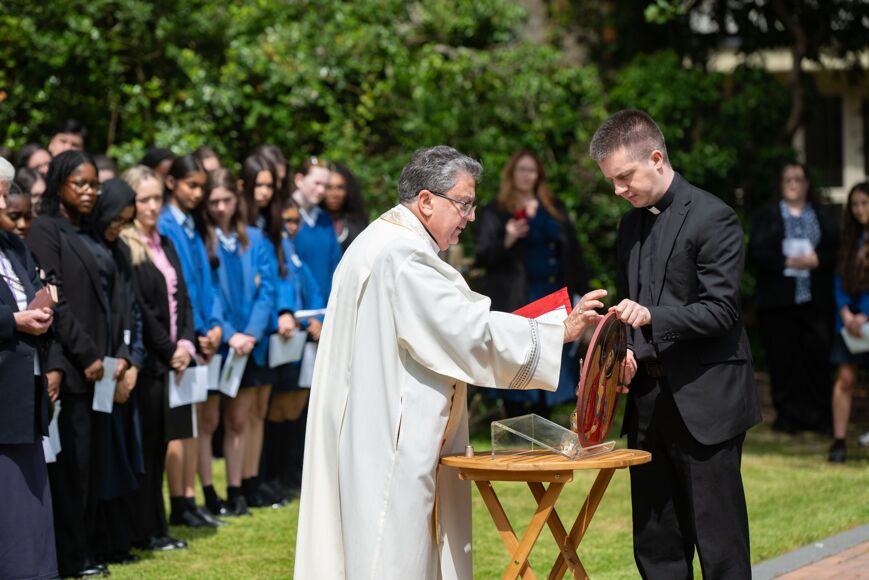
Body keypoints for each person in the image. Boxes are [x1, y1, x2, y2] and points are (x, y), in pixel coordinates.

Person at [294, 145, 606, 579]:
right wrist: (559, 332)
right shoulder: (402, 256)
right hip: (393, 437)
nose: (471, 216)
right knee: (393, 548)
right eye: (463, 203)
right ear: (426, 201)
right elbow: (466, 331)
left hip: (371, 426)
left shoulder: (380, 241)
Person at [590, 110, 761, 579]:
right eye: (612, 181)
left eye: (624, 177)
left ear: (657, 158)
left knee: (719, 543)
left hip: (707, 399)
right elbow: (630, 305)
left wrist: (652, 316)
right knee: (655, 542)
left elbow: (723, 311)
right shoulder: (629, 226)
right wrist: (623, 347)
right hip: (647, 403)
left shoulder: (714, 216)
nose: (618, 191)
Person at [26, 151, 133, 578]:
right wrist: (87, 355)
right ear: (58, 185)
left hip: (101, 368)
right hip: (72, 368)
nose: (89, 192)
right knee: (74, 469)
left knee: (95, 465)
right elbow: (56, 300)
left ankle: (91, 547)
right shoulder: (45, 230)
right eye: (80, 184)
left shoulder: (88, 231)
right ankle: (74, 556)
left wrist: (114, 355)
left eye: (94, 185)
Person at [474, 150, 589, 417]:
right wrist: (508, 238)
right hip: (517, 299)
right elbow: (483, 256)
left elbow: (574, 254)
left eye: (532, 170)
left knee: (550, 360)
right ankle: (514, 427)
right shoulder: (496, 211)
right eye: (522, 170)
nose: (527, 175)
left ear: (539, 175)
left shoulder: (554, 206)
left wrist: (580, 292)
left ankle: (544, 427)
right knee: (518, 361)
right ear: (512, 174)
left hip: (552, 296)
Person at [120, 165, 199, 549]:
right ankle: (147, 530)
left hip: (173, 360)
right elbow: (141, 309)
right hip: (150, 363)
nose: (152, 207)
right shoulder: (126, 245)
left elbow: (181, 298)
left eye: (156, 199)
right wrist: (169, 351)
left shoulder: (164, 242)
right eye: (143, 199)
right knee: (148, 449)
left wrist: (186, 343)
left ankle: (158, 525)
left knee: (164, 442)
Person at [200, 168, 277, 515]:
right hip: (220, 342)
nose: (220, 207)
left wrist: (251, 333)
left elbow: (268, 291)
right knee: (209, 420)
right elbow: (209, 292)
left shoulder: (257, 239)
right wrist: (230, 335)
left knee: (240, 419)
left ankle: (237, 489)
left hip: (251, 343)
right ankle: (208, 493)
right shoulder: (204, 240)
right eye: (213, 201)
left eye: (226, 200)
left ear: (237, 200)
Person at [0, 156, 59, 580]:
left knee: (28, 503)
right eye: (0, 194)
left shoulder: (13, 245)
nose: (4, 201)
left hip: (23, 389)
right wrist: (13, 321)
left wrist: (42, 311)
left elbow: (33, 292)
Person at [748, 162, 837, 434]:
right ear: (780, 183)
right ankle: (787, 417)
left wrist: (817, 259)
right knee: (783, 360)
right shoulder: (768, 215)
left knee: (817, 360)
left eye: (798, 178)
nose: (793, 183)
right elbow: (756, 253)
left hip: (815, 301)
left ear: (808, 183)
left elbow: (836, 250)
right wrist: (787, 261)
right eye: (788, 178)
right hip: (779, 304)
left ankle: (819, 417)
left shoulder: (822, 215)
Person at [157, 155, 221, 527]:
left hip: (201, 332)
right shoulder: (166, 224)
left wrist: (214, 326)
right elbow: (179, 287)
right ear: (171, 183)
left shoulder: (193, 225)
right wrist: (194, 332)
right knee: (179, 422)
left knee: (193, 417)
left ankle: (189, 497)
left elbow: (206, 282)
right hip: (182, 332)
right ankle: (179, 500)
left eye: (201, 187)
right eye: (190, 186)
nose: (196, 194)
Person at [263, 198, 325, 497]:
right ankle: (270, 474)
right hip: (285, 340)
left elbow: (312, 290)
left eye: (294, 221)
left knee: (296, 406)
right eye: (286, 221)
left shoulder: (297, 255)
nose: (291, 227)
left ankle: (289, 473)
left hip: (304, 340)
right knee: (278, 407)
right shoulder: (276, 251)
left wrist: (315, 318)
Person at [239, 154, 290, 507]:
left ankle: (257, 480)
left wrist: (285, 310)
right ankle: (240, 484)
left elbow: (276, 277)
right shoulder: (238, 223)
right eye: (258, 184)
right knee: (239, 416)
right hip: (244, 329)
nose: (264, 192)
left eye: (269, 185)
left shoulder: (272, 224)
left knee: (259, 410)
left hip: (268, 329)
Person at [828, 181, 869, 463]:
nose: (859, 209)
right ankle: (839, 441)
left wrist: (865, 314)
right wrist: (845, 313)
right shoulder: (849, 239)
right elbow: (839, 279)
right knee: (845, 379)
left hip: (866, 317)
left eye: (865, 203)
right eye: (854, 204)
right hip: (848, 323)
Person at [291, 156, 341, 298]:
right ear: (299, 180)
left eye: (325, 186)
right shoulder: (283, 218)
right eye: (317, 183)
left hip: (324, 310)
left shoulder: (324, 219)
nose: (321, 190)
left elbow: (335, 264)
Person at [322, 162, 368, 253]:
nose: (334, 194)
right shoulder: (310, 225)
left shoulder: (358, 225)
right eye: (328, 187)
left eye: (340, 188)